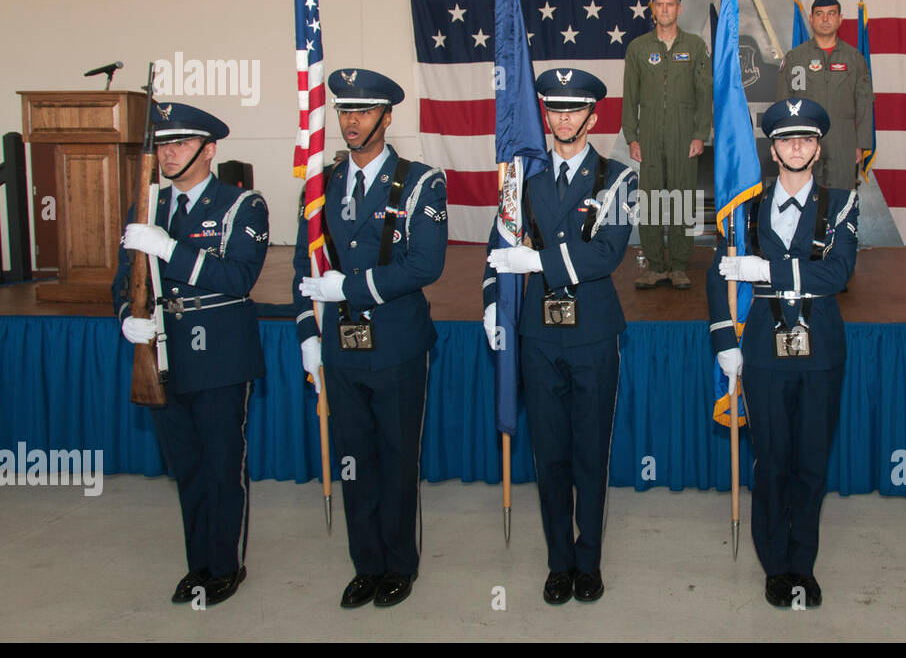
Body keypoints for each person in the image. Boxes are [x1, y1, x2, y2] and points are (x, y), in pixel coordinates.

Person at [293, 68, 448, 610]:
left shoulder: (422, 181)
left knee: (398, 458)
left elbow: (426, 263)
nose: (351, 121)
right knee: (353, 461)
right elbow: (302, 265)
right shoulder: (322, 185)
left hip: (397, 346)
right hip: (339, 346)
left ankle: (399, 565)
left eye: (362, 111)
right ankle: (367, 564)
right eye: (343, 111)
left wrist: (351, 286)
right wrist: (307, 333)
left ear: (387, 116)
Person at [484, 68, 637, 605]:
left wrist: (541, 260)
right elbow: (497, 244)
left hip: (594, 332)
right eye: (555, 110)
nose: (564, 119)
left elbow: (608, 252)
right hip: (539, 335)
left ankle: (588, 560)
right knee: (548, 454)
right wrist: (489, 302)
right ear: (544, 115)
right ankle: (558, 562)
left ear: (594, 116)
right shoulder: (520, 177)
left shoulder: (619, 178)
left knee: (590, 452)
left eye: (575, 111)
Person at [112, 101, 269, 606]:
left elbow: (239, 278)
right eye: (163, 144)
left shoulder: (242, 205)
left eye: (180, 143)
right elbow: (122, 282)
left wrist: (169, 250)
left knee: (222, 465)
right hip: (162, 355)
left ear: (209, 150)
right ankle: (197, 563)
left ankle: (225, 566)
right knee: (188, 467)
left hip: (220, 353)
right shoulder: (147, 206)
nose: (168, 153)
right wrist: (127, 319)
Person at [707, 98, 858, 609]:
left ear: (818, 149)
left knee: (811, 463)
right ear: (772, 150)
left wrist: (768, 271)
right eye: (786, 140)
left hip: (821, 355)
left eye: (806, 139)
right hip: (764, 355)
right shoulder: (745, 208)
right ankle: (775, 564)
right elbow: (718, 276)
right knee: (772, 462)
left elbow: (838, 272)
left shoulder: (841, 204)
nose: (796, 147)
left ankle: (803, 564)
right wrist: (725, 339)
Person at [622, 0, 712, 290]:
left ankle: (677, 265)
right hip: (648, 134)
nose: (665, 9)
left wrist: (700, 133)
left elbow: (705, 93)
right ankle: (655, 266)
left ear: (679, 8)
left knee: (681, 199)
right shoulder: (638, 48)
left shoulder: (695, 46)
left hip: (683, 133)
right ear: (653, 10)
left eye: (670, 4)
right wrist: (631, 136)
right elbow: (629, 96)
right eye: (659, 5)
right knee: (651, 200)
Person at [776, 0, 874, 192]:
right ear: (811, 20)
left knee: (841, 196)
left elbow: (864, 103)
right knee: (805, 197)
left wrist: (861, 144)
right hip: (804, 139)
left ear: (840, 19)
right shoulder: (796, 58)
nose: (825, 19)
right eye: (819, 14)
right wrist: (785, 142)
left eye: (831, 13)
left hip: (843, 139)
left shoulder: (854, 59)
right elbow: (784, 103)